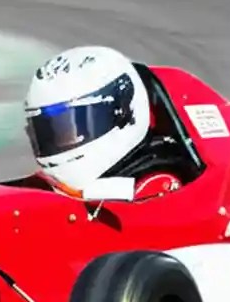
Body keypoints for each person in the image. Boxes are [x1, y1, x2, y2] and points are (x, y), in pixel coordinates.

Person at [23, 46, 184, 201]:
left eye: (70, 128)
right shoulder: (51, 188)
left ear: (121, 112)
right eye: (48, 132)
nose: (58, 138)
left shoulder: (159, 185)